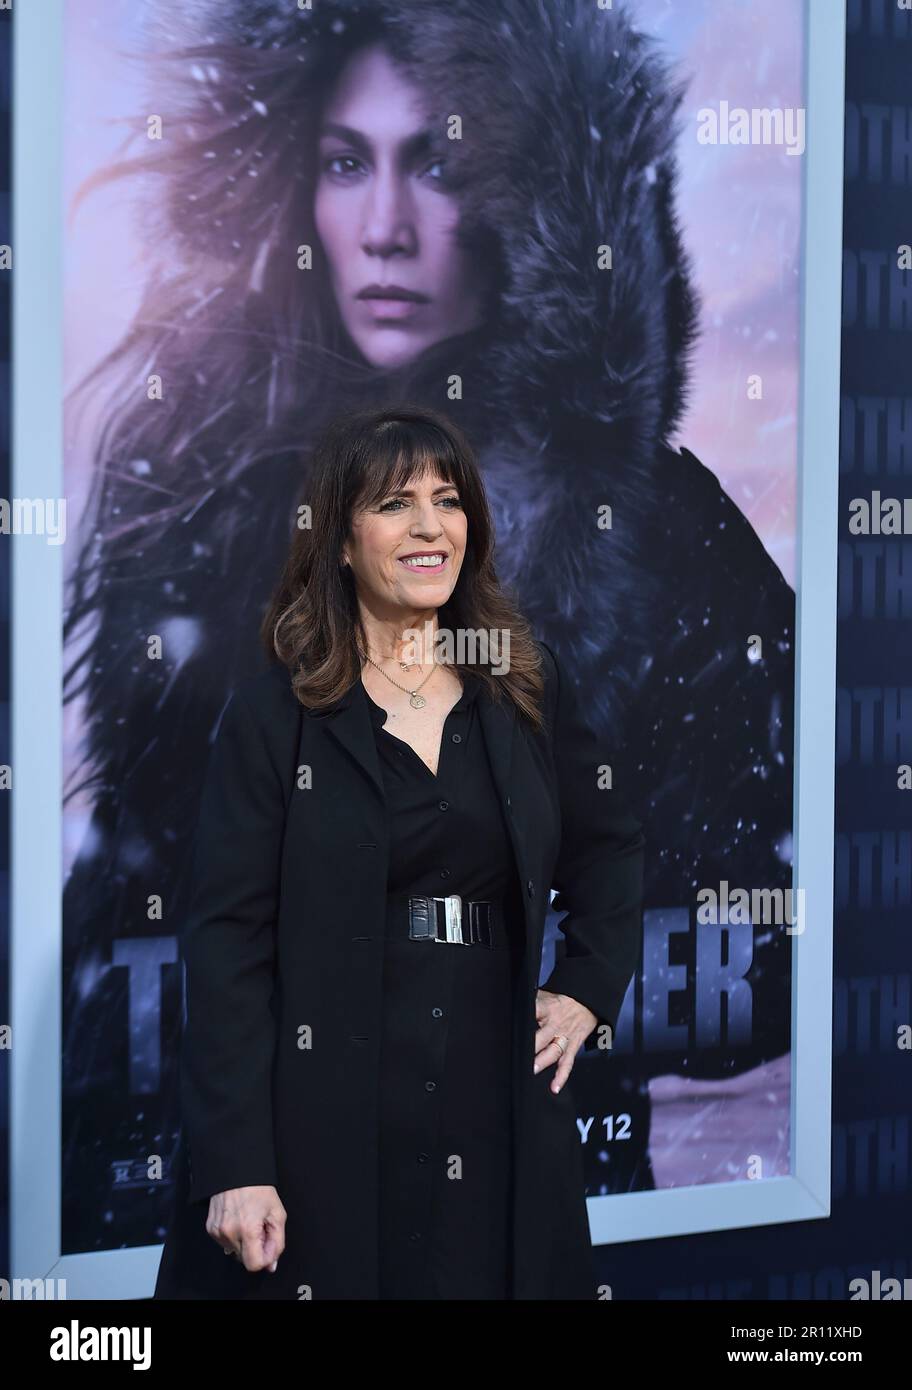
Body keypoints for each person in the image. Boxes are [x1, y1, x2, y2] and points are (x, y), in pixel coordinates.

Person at [63, 0, 793, 1250]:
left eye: (441, 161)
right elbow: (157, 943)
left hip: (507, 1190)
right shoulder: (201, 521)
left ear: (534, 201)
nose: (386, 227)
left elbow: (754, 938)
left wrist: (586, 985)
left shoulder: (653, 534)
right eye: (347, 161)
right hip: (279, 1199)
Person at [153, 406, 645, 1300]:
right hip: (323, 1123)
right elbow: (226, 944)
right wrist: (236, 1162)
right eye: (394, 502)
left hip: (494, 1106)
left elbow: (608, 846)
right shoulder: (278, 716)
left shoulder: (523, 683)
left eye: (448, 500)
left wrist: (586, 987)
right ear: (341, 541)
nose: (429, 526)